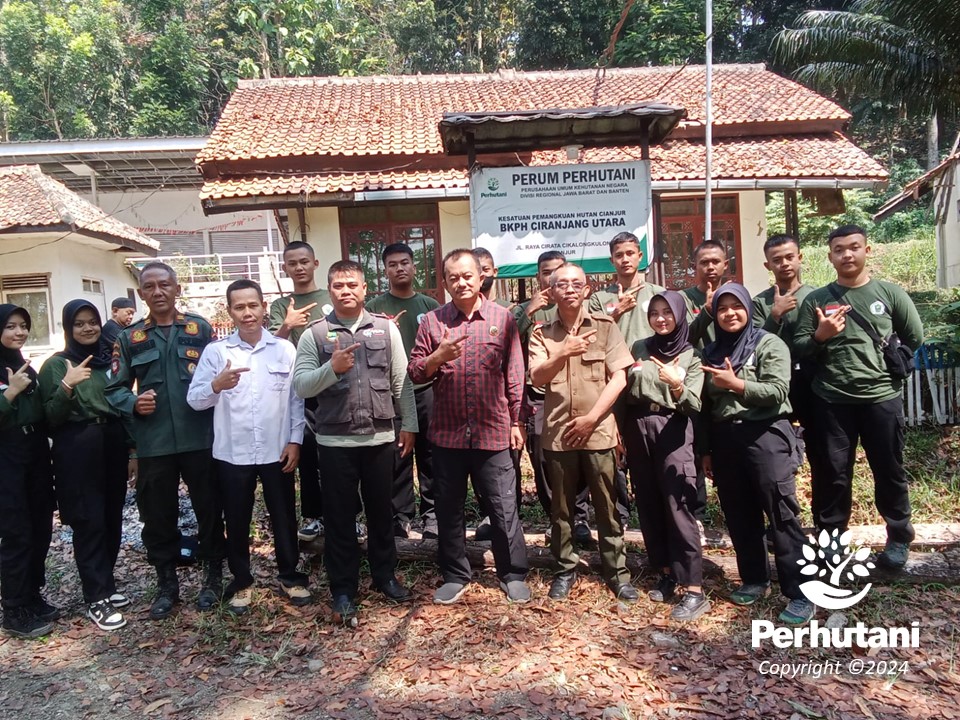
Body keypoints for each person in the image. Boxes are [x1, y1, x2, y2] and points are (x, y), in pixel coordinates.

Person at [293, 260, 418, 625]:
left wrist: (408, 423)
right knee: (340, 519)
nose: (345, 291)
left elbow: (401, 381)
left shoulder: (384, 329)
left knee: (382, 514)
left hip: (380, 439)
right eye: (338, 286)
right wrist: (332, 369)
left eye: (352, 284)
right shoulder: (314, 335)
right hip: (334, 443)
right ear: (329, 291)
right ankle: (344, 589)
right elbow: (301, 386)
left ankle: (385, 578)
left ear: (365, 289)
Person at [793, 225, 923, 569]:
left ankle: (898, 534)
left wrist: (887, 363)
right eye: (839, 249)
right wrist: (820, 335)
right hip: (832, 400)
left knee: (889, 467)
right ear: (830, 256)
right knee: (832, 473)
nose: (847, 254)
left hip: (881, 397)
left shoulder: (889, 293)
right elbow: (800, 346)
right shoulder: (817, 299)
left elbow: (915, 336)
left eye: (853, 247)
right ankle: (831, 540)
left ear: (868, 250)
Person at [105, 262, 226, 620]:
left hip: (200, 437)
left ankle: (213, 578)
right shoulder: (128, 339)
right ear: (141, 293)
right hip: (154, 442)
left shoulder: (199, 328)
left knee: (209, 509)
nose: (158, 292)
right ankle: (166, 585)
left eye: (164, 285)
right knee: (157, 516)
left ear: (176, 288)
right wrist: (133, 402)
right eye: (149, 287)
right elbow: (113, 388)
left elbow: (219, 374)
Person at [408, 249, 530, 605]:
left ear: (480, 278)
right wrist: (437, 357)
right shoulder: (432, 322)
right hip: (447, 434)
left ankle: (513, 573)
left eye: (467, 276)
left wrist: (517, 420)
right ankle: (455, 573)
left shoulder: (502, 318)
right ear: (444, 282)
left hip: (493, 431)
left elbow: (515, 374)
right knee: (448, 507)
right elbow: (416, 371)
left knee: (503, 506)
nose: (460, 282)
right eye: (453, 277)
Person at [187, 279, 310, 614]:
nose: (247, 313)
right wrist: (216, 384)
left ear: (263, 308)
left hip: (276, 449)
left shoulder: (284, 349)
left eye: (252, 305)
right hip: (232, 453)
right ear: (230, 311)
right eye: (239, 307)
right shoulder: (216, 353)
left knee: (284, 516)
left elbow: (296, 401)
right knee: (237, 519)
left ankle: (289, 575)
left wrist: (295, 441)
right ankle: (241, 581)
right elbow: (195, 400)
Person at [700, 284, 813, 625]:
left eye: (737, 306)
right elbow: (705, 407)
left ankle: (800, 592)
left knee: (781, 513)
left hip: (766, 435)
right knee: (738, 512)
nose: (730, 313)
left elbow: (778, 391)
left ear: (749, 308)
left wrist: (737, 385)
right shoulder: (711, 351)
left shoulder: (768, 343)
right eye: (722, 309)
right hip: (725, 439)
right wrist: (706, 450)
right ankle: (754, 579)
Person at [528, 264, 637, 602]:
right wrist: (562, 352)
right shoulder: (541, 333)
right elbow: (537, 378)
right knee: (561, 510)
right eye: (562, 284)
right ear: (552, 289)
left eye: (577, 283)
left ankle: (617, 573)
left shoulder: (605, 328)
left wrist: (592, 418)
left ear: (588, 289)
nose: (570, 289)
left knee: (607, 506)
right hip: (559, 432)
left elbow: (620, 376)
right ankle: (564, 570)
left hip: (598, 430)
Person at [39, 300, 132, 631]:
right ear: (69, 328)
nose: (88, 328)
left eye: (92, 321)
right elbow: (48, 419)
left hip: (112, 440)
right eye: (79, 323)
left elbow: (121, 401)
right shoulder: (56, 365)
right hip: (77, 444)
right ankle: (97, 598)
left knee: (111, 515)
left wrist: (131, 448)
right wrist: (68, 385)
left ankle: (105, 584)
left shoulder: (110, 360)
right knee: (88, 519)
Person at [623, 291, 708, 621]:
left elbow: (694, 404)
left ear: (679, 315)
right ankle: (667, 571)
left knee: (678, 505)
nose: (660, 318)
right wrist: (618, 430)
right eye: (655, 313)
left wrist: (676, 385)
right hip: (637, 425)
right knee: (648, 501)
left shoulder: (692, 356)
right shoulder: (639, 349)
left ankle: (695, 588)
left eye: (667, 313)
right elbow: (625, 390)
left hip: (673, 426)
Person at [512, 252, 591, 538]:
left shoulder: (581, 303)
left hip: (578, 391)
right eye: (546, 272)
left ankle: (579, 517)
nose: (552, 277)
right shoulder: (526, 309)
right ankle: (554, 517)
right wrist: (527, 311)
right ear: (539, 277)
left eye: (558, 271)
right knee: (545, 458)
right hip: (537, 394)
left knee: (578, 451)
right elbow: (503, 339)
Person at [368, 243, 441, 539]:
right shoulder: (373, 309)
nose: (399, 268)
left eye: (405, 262)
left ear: (414, 267)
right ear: (385, 271)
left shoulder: (430, 307)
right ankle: (400, 515)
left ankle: (433, 514)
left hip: (427, 390)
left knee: (430, 453)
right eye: (393, 264)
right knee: (398, 453)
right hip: (391, 393)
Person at [268, 241, 334, 543]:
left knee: (339, 456)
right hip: (300, 391)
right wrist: (286, 325)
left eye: (304, 261)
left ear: (315, 263)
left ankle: (349, 514)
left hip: (335, 385)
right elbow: (268, 349)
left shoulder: (330, 296)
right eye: (292, 263)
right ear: (286, 268)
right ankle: (313, 516)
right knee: (307, 453)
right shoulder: (281, 306)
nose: (299, 267)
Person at [0, 305, 57, 639]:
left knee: (40, 527)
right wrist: (11, 391)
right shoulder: (14, 376)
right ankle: (14, 608)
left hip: (35, 453)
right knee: (17, 532)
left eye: (23, 326)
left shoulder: (23, 367)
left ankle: (33, 594)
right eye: (10, 326)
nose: (19, 332)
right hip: (7, 458)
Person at [471, 246, 522, 541]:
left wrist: (516, 416)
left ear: (492, 272)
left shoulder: (508, 311)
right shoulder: (451, 312)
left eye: (486, 268)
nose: (482, 274)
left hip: (502, 405)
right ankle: (489, 516)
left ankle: (508, 521)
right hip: (468, 411)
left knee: (506, 469)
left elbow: (515, 361)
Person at [589, 231, 666, 348]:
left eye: (630, 253)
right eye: (619, 255)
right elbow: (595, 334)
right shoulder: (598, 298)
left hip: (650, 361)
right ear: (612, 260)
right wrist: (618, 311)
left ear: (640, 256)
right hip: (614, 362)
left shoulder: (658, 293)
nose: (625, 259)